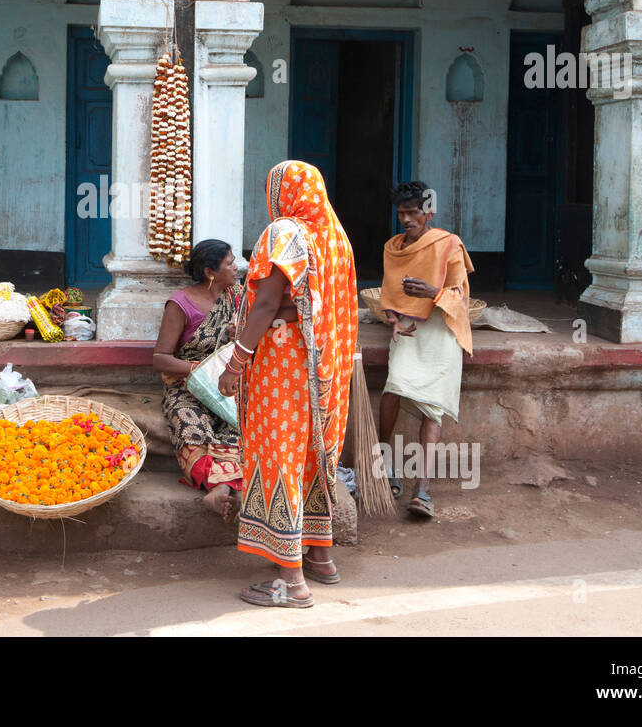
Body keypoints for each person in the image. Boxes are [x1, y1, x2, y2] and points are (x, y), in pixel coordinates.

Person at [218, 161, 357, 609]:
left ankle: (290, 582)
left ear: (282, 192)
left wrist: (235, 363)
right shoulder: (336, 236)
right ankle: (320, 558)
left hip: (285, 368)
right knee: (314, 455)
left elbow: (266, 303)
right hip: (326, 370)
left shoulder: (286, 232)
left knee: (279, 457)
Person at [376, 181, 474, 519]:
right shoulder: (392, 248)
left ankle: (423, 489)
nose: (405, 219)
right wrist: (392, 320)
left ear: (428, 211)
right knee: (393, 387)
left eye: (412, 212)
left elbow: (460, 299)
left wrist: (433, 291)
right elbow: (389, 296)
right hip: (409, 328)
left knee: (432, 406)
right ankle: (385, 462)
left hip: (441, 329)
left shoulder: (449, 244)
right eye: (401, 213)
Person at [152, 239, 243, 522]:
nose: (236, 267)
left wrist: (237, 335)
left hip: (227, 386)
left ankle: (222, 488)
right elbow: (161, 359)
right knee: (191, 431)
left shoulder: (237, 296)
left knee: (241, 430)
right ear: (210, 272)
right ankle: (225, 486)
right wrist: (200, 369)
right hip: (187, 387)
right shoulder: (180, 304)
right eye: (229, 263)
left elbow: (253, 338)